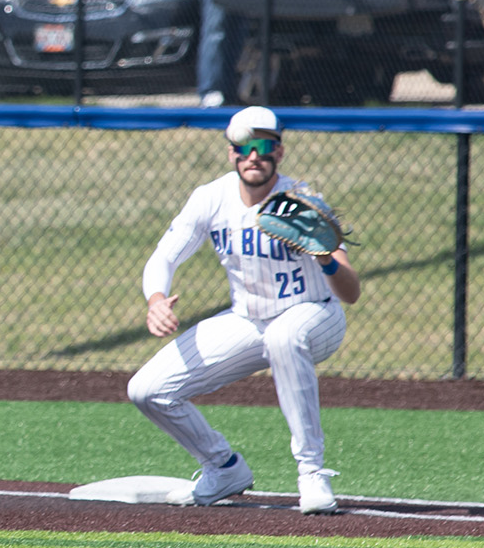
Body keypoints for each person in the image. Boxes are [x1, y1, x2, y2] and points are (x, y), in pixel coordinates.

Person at [129, 106, 362, 515]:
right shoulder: (210, 198)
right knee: (147, 391)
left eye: (263, 146)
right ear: (231, 153)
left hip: (315, 314)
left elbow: (350, 291)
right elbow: (162, 259)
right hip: (247, 319)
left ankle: (311, 473)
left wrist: (326, 256)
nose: (254, 156)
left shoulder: (301, 201)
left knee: (284, 337)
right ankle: (223, 467)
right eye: (244, 147)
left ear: (280, 152)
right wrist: (155, 301)